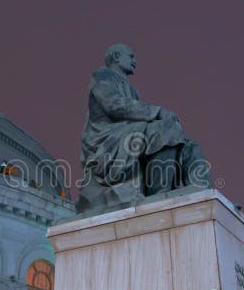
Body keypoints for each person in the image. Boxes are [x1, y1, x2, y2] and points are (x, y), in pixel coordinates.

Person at [77, 43, 211, 212]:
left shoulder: (134, 91)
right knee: (166, 129)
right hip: (107, 139)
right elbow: (114, 106)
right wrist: (158, 112)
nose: (135, 60)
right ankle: (158, 195)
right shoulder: (103, 75)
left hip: (130, 133)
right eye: (131, 56)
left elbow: (138, 118)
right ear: (117, 57)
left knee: (190, 146)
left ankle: (206, 196)